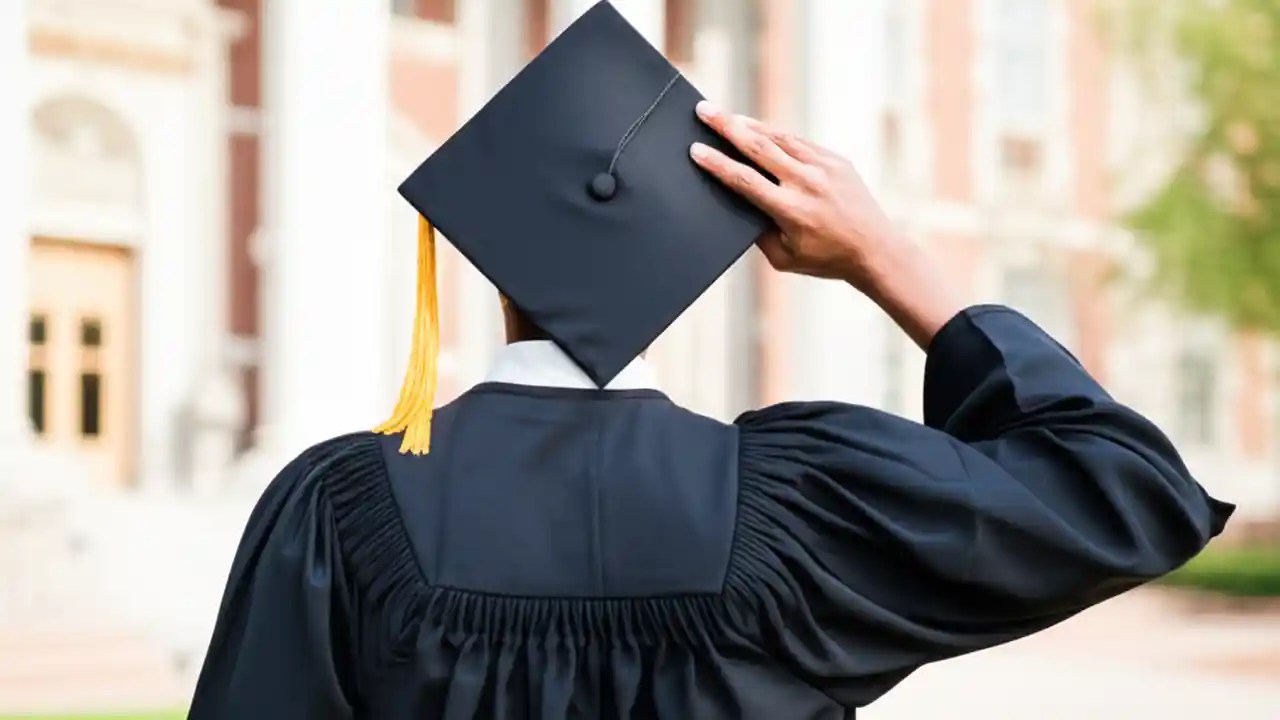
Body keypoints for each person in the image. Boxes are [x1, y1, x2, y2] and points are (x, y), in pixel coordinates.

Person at [188, 4, 1231, 718]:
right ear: (676, 266)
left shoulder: (335, 509)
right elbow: (1129, 491)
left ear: (492, 266)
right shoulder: (809, 506)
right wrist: (885, 257)